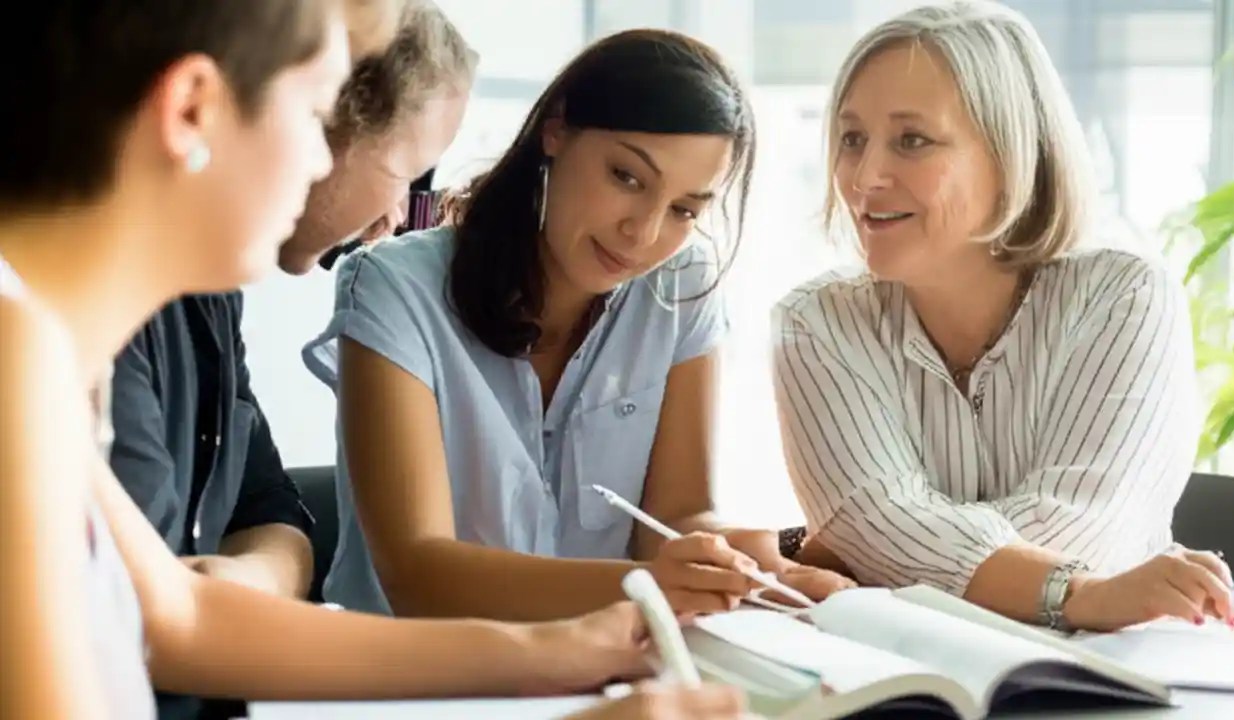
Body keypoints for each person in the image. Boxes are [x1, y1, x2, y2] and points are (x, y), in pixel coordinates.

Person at [0, 2, 741, 718]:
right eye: (318, 112)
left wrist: (555, 650)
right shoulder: (14, 366)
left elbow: (180, 619)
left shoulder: (42, 353)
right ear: (192, 110)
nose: (328, 160)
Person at [303, 28, 855, 622]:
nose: (642, 234)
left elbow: (675, 519)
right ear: (557, 128)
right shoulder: (394, 288)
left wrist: (742, 565)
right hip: (412, 684)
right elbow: (420, 573)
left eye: (683, 209)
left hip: (595, 671)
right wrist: (647, 586)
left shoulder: (680, 285)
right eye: (627, 177)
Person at [772, 0, 1234, 634]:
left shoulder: (1123, 297)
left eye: (912, 140)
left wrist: (874, 555)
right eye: (852, 139)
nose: (864, 177)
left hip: (1105, 675)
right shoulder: (814, 324)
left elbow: (1087, 533)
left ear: (1014, 153)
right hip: (907, 670)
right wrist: (1073, 589)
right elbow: (874, 522)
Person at [107, 3, 475, 716]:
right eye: (404, 173)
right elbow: (160, 626)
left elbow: (270, 508)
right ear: (196, 106)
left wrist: (243, 584)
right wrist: (566, 652)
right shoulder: (55, 342)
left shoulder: (210, 297)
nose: (399, 217)